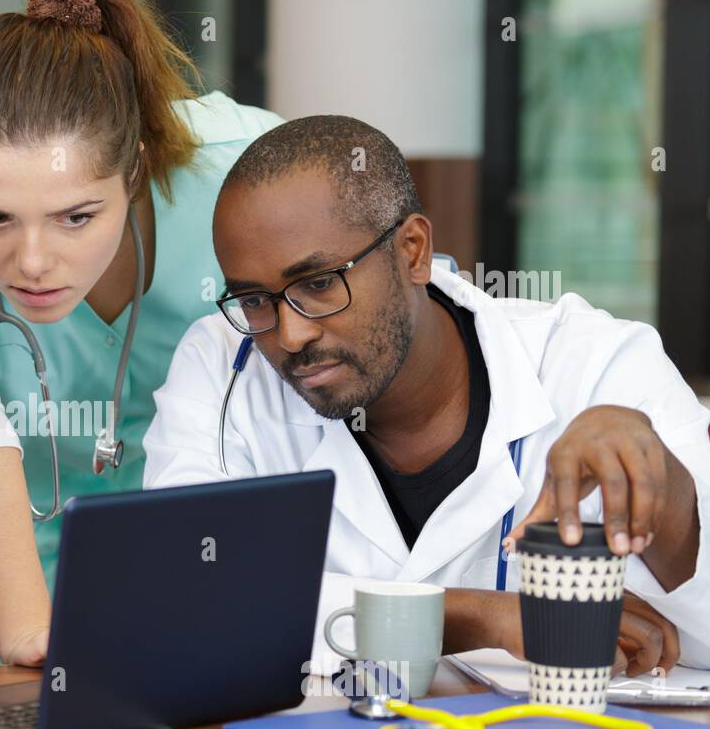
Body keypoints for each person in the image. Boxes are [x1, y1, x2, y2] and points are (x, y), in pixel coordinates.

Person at [144, 115, 710, 676]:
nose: (290, 335)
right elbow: (183, 598)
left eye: (318, 284)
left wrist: (667, 497)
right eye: (254, 300)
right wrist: (486, 618)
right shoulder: (223, 365)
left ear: (413, 251)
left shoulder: (594, 368)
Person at [0, 0, 283, 665]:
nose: (31, 263)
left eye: (77, 217)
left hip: (195, 588)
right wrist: (44, 653)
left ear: (135, 171)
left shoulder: (249, 169)